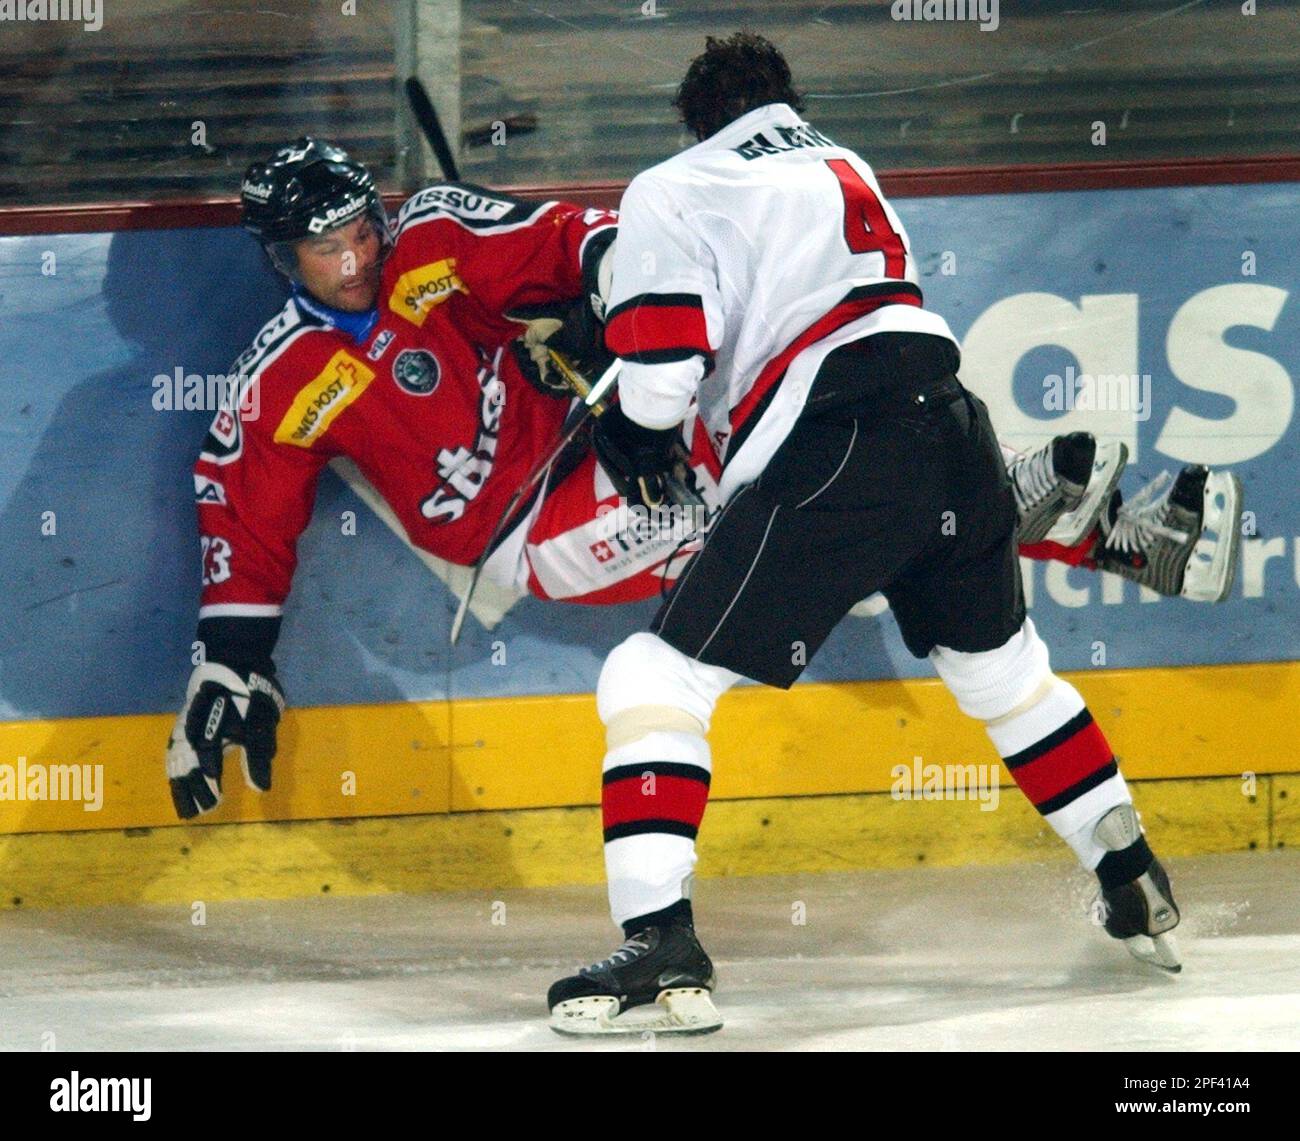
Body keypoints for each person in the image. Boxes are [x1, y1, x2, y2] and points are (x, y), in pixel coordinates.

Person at [164, 138, 1239, 831]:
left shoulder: (432, 244)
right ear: (279, 257)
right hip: (538, 532)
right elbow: (244, 509)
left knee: (818, 462)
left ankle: (1125, 540)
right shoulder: (281, 380)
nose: (354, 259)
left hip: (591, 443)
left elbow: (578, 241)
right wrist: (233, 657)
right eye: (323, 248)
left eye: (359, 232)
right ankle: (1077, 524)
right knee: (804, 473)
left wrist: (601, 302)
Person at [547, 33, 1239, 1036]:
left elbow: (659, 383)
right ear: (782, 101)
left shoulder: (672, 182)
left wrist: (622, 426)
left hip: (835, 438)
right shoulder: (839, 159)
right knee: (1003, 677)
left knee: (652, 681)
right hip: (951, 422)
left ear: (695, 117)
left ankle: (657, 939)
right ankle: (1126, 865)